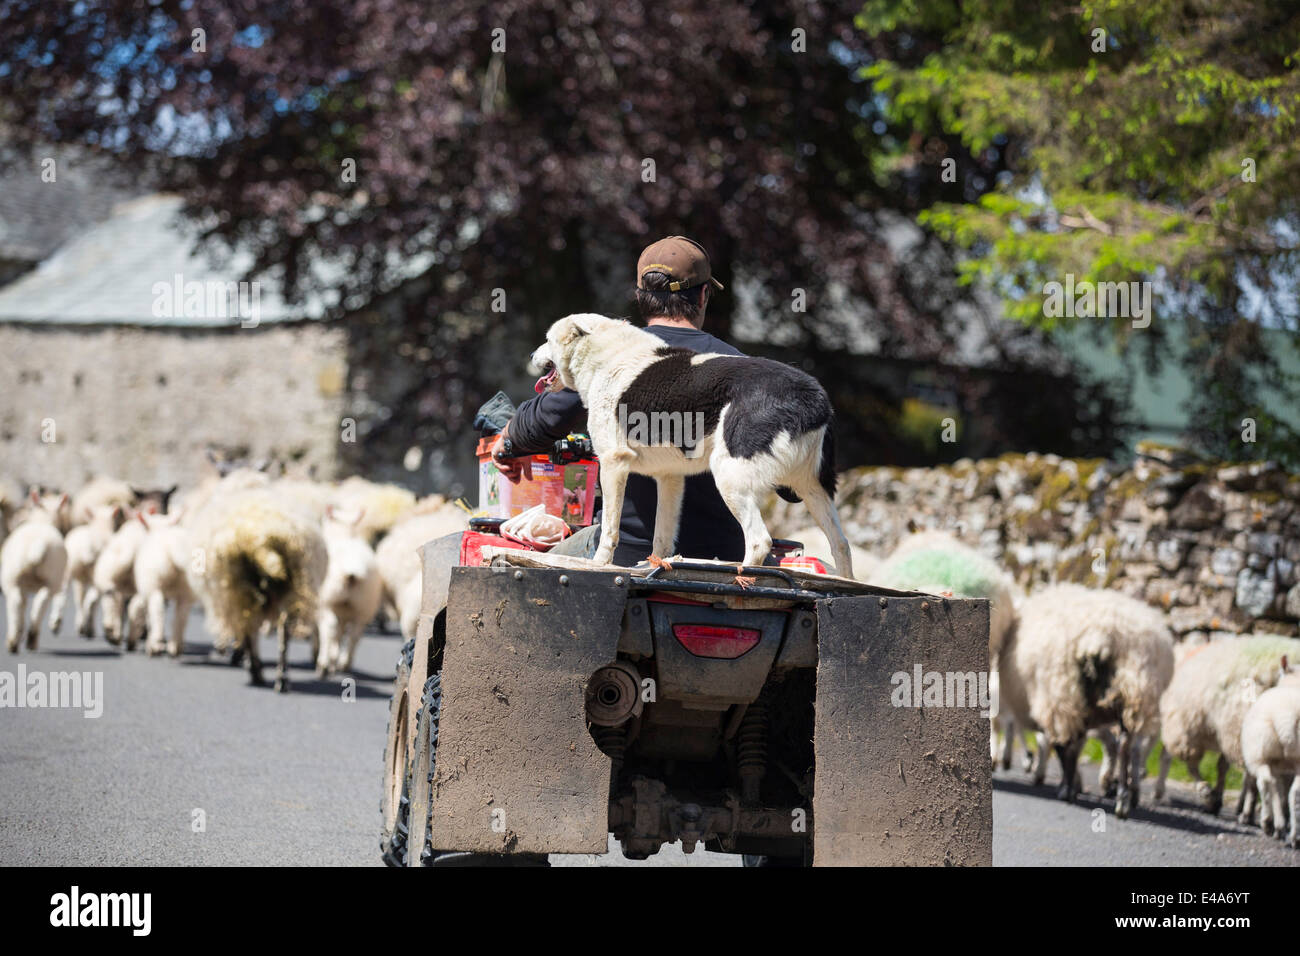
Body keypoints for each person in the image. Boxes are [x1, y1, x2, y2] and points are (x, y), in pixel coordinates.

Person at [492, 236, 746, 565]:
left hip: (627, 557)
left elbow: (547, 419)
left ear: (640, 298)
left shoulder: (612, 357)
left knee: (528, 557)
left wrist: (508, 438)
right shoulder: (743, 369)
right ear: (703, 295)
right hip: (724, 559)